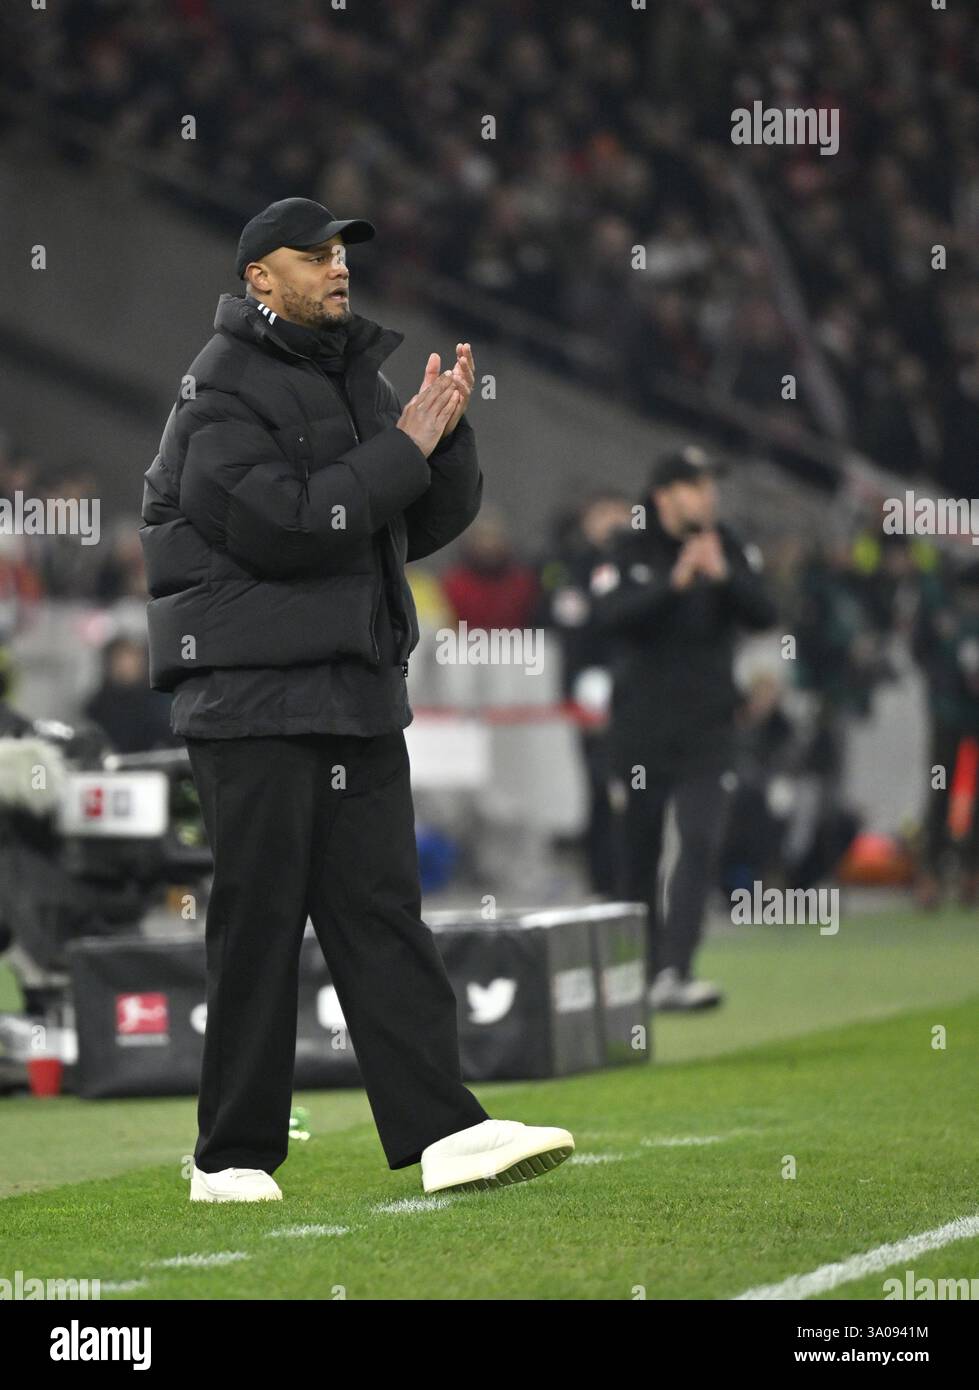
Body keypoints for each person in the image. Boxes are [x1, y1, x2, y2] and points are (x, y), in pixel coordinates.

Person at [139, 198, 573, 1201]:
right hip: (251, 704)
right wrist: (400, 446)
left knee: (384, 918)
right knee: (259, 925)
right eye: (315, 255)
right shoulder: (215, 393)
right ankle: (231, 1156)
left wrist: (443, 438)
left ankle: (442, 1131)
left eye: (343, 254)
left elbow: (400, 526)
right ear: (259, 277)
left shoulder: (354, 378)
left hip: (354, 692)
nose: (338, 268)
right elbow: (288, 525)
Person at [586, 446, 776, 1010]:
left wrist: (723, 578)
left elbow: (765, 613)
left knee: (700, 841)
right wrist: (675, 583)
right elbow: (610, 619)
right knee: (638, 852)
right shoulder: (629, 546)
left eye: (710, 485)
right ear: (665, 495)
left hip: (709, 726)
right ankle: (640, 974)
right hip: (641, 727)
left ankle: (677, 970)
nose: (709, 496)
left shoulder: (729, 544)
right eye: (696, 486)